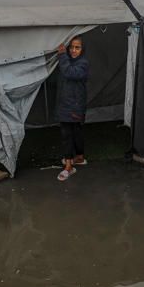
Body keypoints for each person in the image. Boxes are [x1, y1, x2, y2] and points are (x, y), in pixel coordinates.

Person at [55, 37, 89, 181]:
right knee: (75, 131)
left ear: (82, 49)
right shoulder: (68, 62)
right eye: (71, 47)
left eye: (77, 48)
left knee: (67, 134)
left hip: (73, 106)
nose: (73, 51)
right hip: (67, 105)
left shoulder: (83, 63)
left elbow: (71, 73)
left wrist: (62, 55)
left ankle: (69, 167)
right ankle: (79, 157)